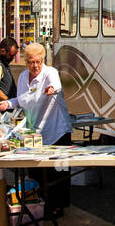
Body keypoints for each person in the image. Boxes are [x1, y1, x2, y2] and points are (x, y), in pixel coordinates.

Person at [4, 43, 73, 216]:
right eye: (31, 62)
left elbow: (56, 86)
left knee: (58, 171)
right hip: (35, 133)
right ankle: (39, 206)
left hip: (56, 129)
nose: (35, 66)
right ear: (26, 62)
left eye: (39, 62)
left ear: (44, 60)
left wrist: (51, 89)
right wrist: (7, 103)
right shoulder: (22, 77)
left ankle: (58, 208)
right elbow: (20, 100)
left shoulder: (50, 73)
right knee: (36, 172)